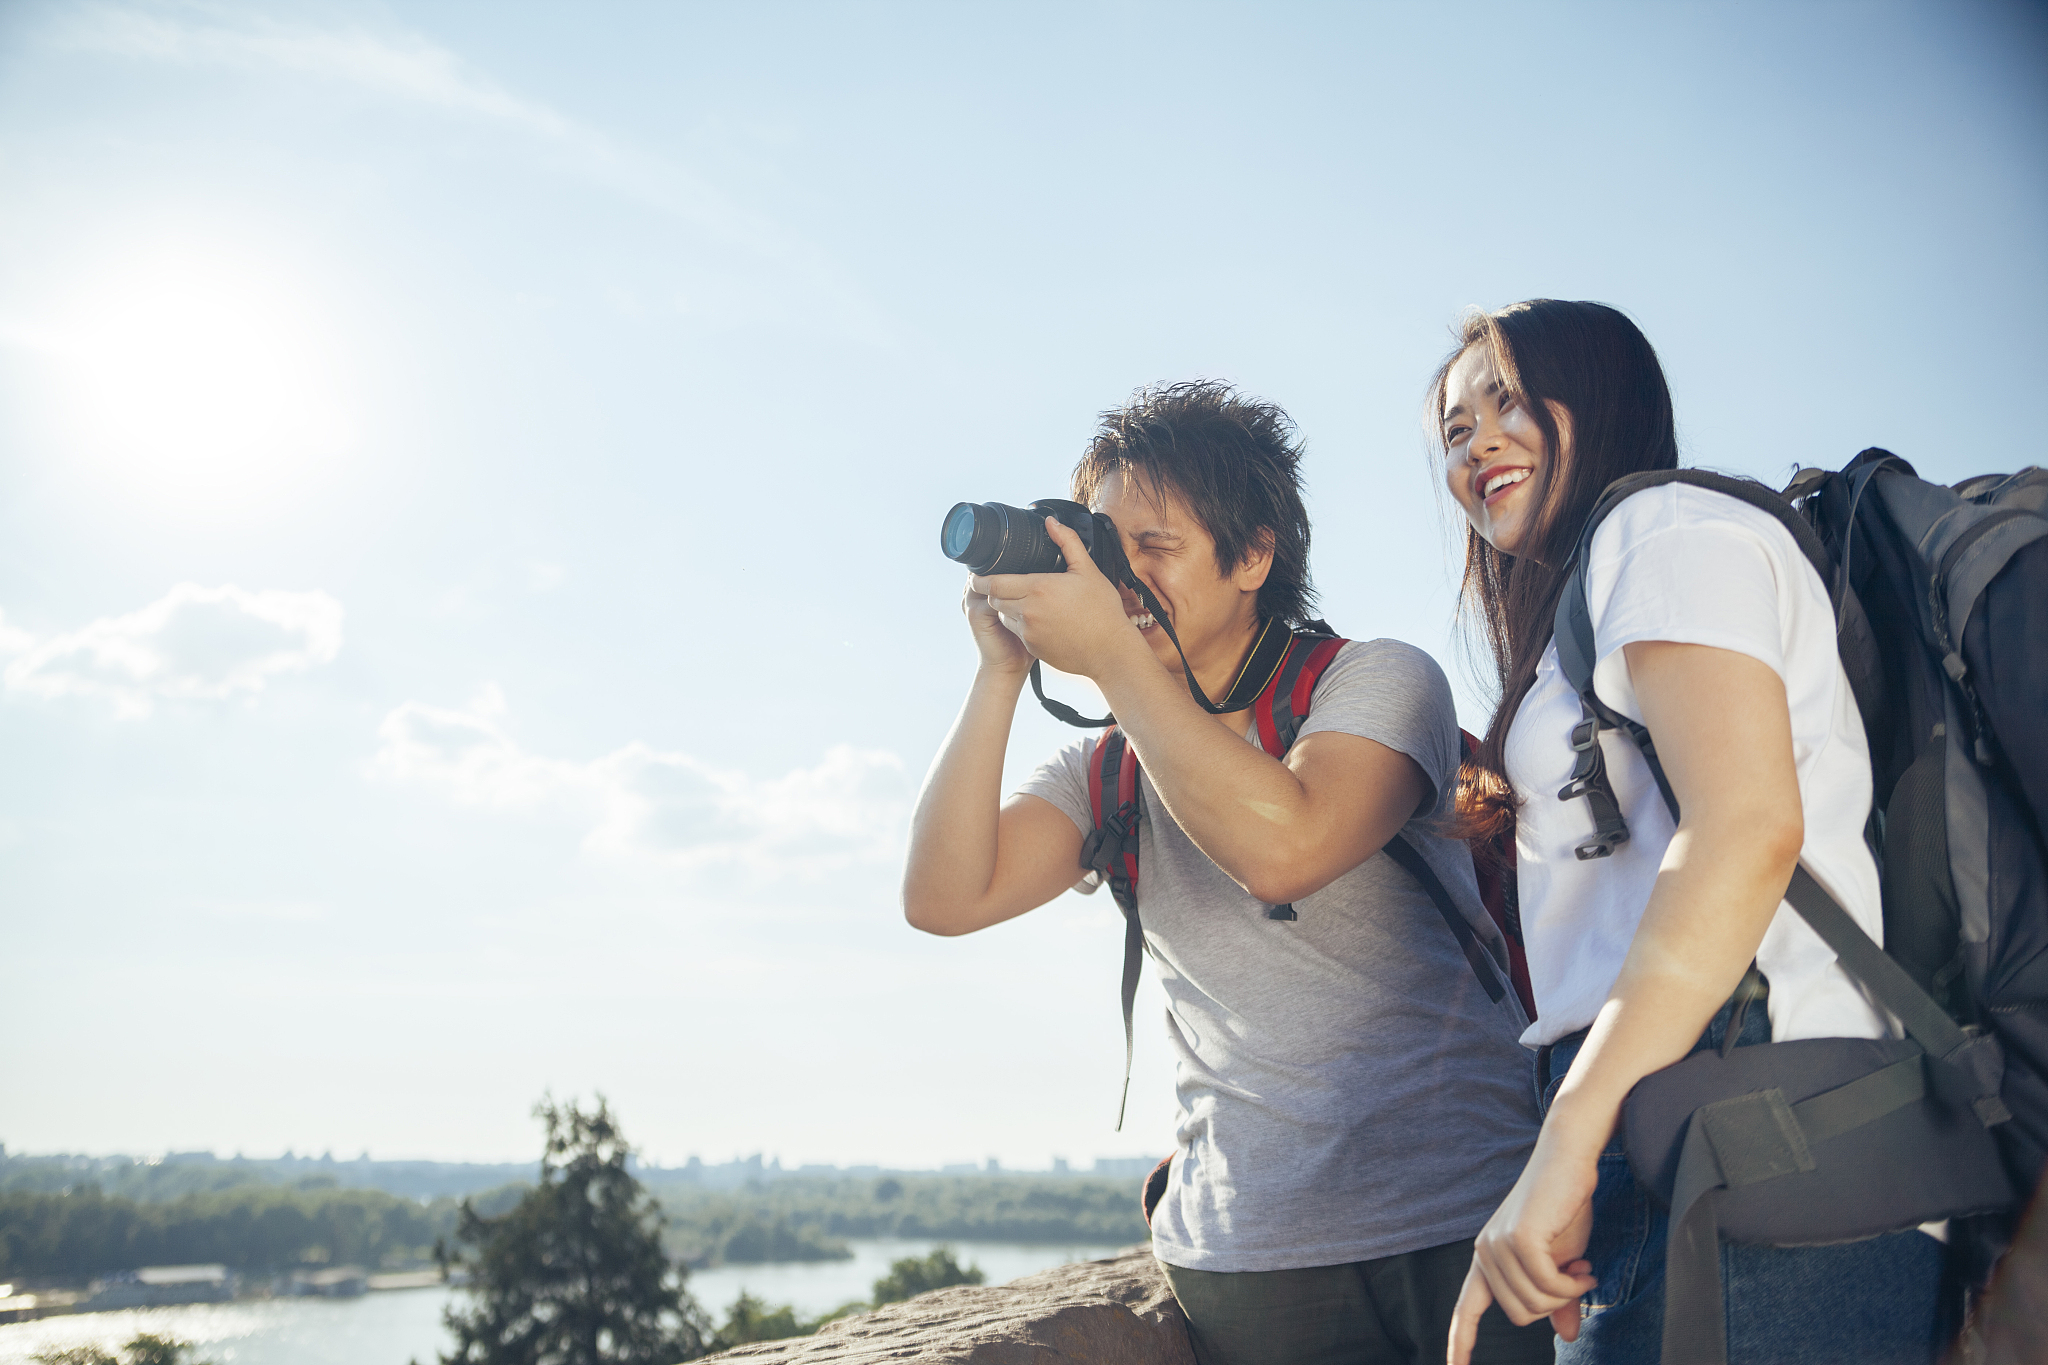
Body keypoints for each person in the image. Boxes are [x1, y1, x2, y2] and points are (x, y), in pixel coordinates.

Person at [902, 380, 1550, 1365]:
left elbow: (1282, 850)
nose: (1119, 582)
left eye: (1150, 549)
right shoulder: (1107, 765)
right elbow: (943, 899)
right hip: (1248, 1257)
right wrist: (998, 668)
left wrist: (1112, 656)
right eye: (1101, 548)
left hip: (1467, 1216)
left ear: (1252, 554)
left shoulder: (1373, 682)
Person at [1434, 300, 1948, 1365]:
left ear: (1603, 395)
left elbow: (1745, 829)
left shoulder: (1659, 532)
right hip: (1690, 1113)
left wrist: (1563, 1152)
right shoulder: (1604, 578)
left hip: (1751, 1124)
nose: (1474, 440)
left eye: (1507, 399)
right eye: (1451, 428)